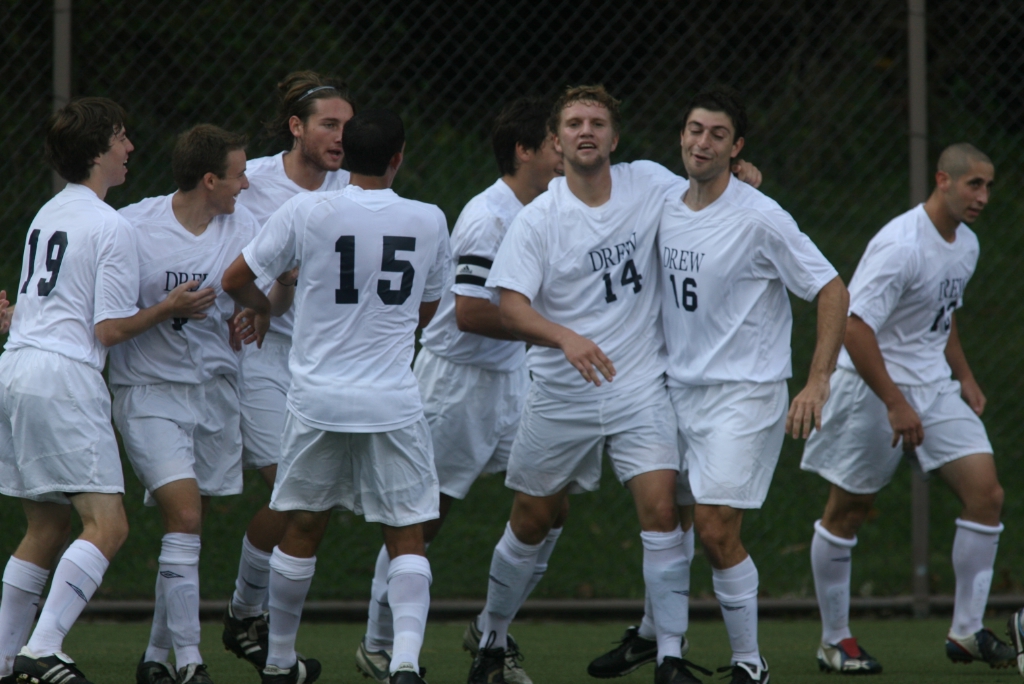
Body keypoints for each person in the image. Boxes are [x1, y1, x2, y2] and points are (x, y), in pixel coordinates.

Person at [469, 85, 760, 684]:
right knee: (531, 517)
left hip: (637, 388)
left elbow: (706, 191)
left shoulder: (647, 183)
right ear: (555, 140)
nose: (586, 131)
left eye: (597, 122)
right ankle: (491, 638)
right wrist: (565, 337)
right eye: (573, 122)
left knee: (660, 511)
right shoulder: (539, 219)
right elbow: (511, 307)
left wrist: (741, 172)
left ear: (614, 138)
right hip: (560, 391)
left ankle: (671, 655)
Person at [223, 108, 450, 684]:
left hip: (318, 397)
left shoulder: (307, 209)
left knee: (301, 526)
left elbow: (232, 279)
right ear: (399, 157)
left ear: (344, 153)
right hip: (392, 400)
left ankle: (278, 661)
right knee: (407, 534)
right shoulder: (429, 219)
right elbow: (425, 309)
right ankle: (401, 662)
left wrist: (260, 307)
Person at [0, 98, 212, 684]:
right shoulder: (110, 225)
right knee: (109, 525)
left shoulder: (48, 212)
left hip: (16, 369)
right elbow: (108, 330)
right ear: (98, 151)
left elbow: (46, 308)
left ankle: (5, 660)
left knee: (45, 526)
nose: (130, 149)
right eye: (121, 137)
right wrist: (168, 307)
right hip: (64, 378)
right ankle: (44, 649)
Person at [355, 97, 562, 684]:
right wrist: (555, 332)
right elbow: (469, 313)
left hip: (515, 380)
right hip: (456, 384)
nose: (564, 151)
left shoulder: (553, 206)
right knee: (421, 520)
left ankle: (490, 636)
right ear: (525, 151)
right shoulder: (487, 216)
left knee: (548, 506)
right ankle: (378, 643)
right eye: (553, 142)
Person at [657, 86, 848, 684]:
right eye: (694, 130)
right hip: (672, 391)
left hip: (745, 392)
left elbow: (832, 289)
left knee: (715, 528)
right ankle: (660, 647)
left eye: (717, 134)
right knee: (668, 521)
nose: (702, 142)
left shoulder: (762, 216)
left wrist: (817, 383)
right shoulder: (660, 200)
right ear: (681, 136)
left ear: (736, 147)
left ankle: (748, 664)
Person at [802, 143, 1013, 673]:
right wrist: (894, 402)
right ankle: (835, 642)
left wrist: (963, 375)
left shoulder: (966, 244)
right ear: (943, 180)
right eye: (974, 185)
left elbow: (943, 315)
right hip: (874, 387)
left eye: (988, 186)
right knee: (846, 511)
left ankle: (966, 632)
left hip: (934, 387)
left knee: (986, 494)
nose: (983, 197)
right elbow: (853, 326)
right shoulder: (900, 244)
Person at [112, 124, 290, 684]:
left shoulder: (246, 225)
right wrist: (167, 307)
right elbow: (100, 308)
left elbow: (273, 291)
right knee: (185, 516)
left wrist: (261, 305)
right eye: (237, 175)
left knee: (188, 529)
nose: (245, 184)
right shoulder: (133, 226)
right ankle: (191, 663)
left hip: (216, 392)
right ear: (209, 179)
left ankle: (155, 659)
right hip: (149, 391)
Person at [222, 70, 355, 671]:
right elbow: (232, 259)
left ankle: (244, 615)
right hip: (267, 355)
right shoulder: (257, 184)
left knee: (310, 506)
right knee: (291, 491)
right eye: (329, 124)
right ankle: (248, 616)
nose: (340, 136)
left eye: (348, 126)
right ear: (297, 128)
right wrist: (262, 297)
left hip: (327, 367)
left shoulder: (355, 185)